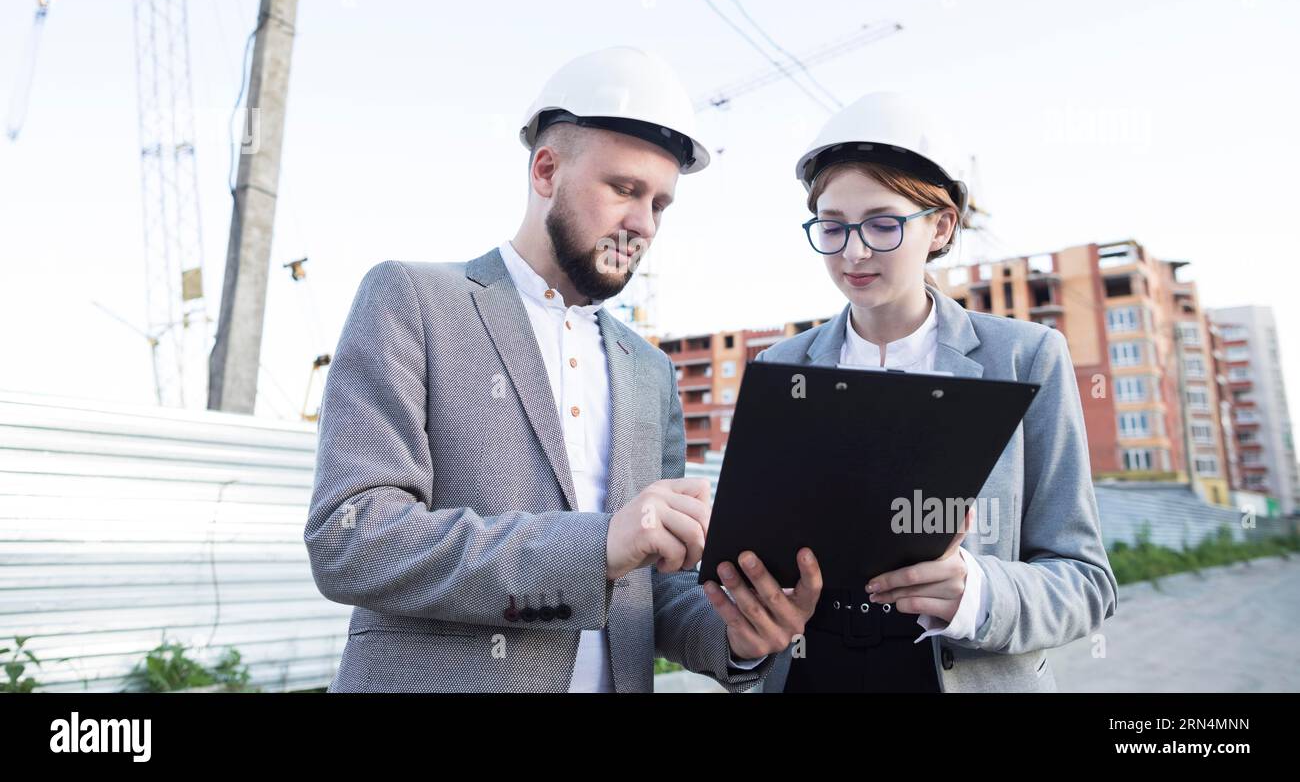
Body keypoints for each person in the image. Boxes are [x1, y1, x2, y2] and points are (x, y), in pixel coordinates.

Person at [305, 46, 821, 692]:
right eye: (624, 189)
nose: (643, 223)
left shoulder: (651, 372)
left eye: (660, 204)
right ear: (545, 170)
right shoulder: (410, 300)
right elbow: (353, 541)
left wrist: (736, 637)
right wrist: (600, 543)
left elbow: (652, 589)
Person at [755, 91, 1118, 692]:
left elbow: (1086, 582)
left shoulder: (1025, 358)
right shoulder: (780, 365)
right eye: (833, 227)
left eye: (882, 224)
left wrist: (976, 592)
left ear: (941, 225)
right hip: (809, 673)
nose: (854, 251)